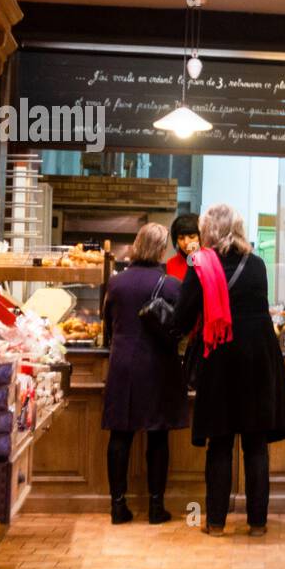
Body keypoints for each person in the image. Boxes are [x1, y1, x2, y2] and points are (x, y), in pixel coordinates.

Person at [172, 203, 285, 536]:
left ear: (208, 231)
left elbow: (182, 318)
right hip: (258, 360)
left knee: (220, 442)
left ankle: (215, 522)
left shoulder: (199, 265)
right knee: (256, 444)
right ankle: (257, 523)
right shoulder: (257, 265)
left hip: (219, 358)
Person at [101, 222, 189, 524]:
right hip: (158, 367)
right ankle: (155, 506)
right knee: (158, 435)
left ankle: (117, 505)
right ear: (162, 249)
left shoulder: (116, 283)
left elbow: (108, 326)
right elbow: (181, 329)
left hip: (122, 364)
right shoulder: (171, 285)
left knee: (120, 434)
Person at [166, 213, 199, 282]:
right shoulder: (171, 264)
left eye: (192, 237)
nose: (186, 242)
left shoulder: (210, 262)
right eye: (181, 238)